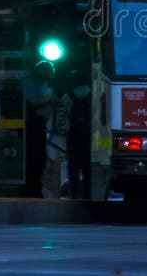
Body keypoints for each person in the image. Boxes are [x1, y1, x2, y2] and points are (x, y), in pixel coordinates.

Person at [21, 60, 60, 197]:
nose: (48, 78)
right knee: (34, 157)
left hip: (39, 124)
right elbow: (33, 101)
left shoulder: (41, 84)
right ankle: (31, 189)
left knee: (38, 158)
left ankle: (34, 187)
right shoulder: (29, 82)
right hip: (32, 125)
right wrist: (50, 100)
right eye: (48, 74)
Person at [63, 70, 91, 199]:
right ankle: (88, 193)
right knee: (88, 165)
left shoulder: (67, 97)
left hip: (73, 136)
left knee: (73, 166)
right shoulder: (93, 94)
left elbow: (62, 121)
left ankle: (74, 193)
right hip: (90, 136)